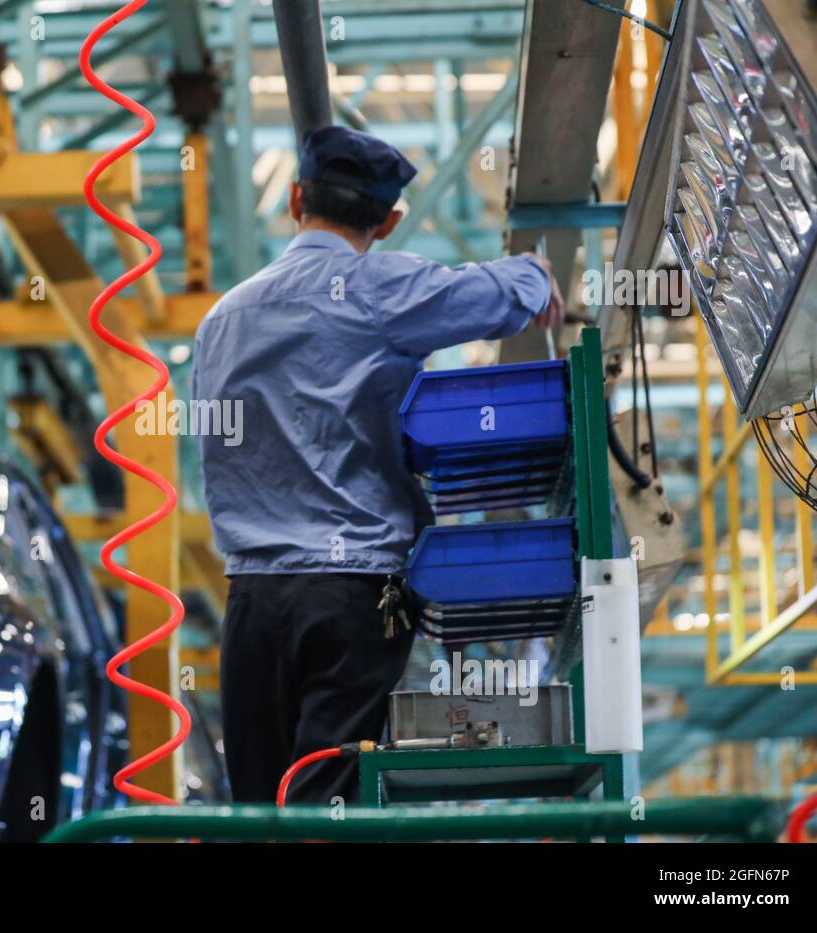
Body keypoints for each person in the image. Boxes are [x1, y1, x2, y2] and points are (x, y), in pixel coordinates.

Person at [191, 125, 564, 804]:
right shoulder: (378, 288)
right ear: (390, 221)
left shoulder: (220, 319)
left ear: (296, 197)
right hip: (351, 595)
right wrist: (537, 273)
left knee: (254, 809)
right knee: (330, 802)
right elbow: (498, 298)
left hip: (250, 601)